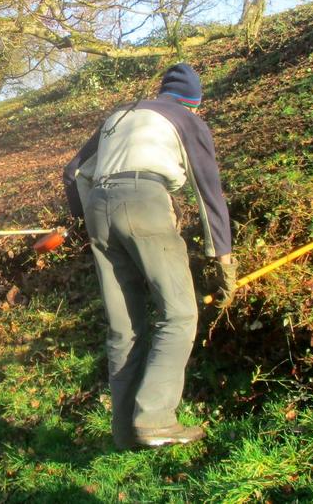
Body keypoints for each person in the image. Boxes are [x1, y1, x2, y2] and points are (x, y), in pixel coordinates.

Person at [62, 62, 237, 450]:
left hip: (99, 210)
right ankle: (155, 418)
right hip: (144, 201)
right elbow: (209, 190)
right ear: (193, 103)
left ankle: (125, 432)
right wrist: (223, 258)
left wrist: (82, 220)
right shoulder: (184, 118)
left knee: (124, 328)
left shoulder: (121, 115)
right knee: (179, 313)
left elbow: (73, 171)